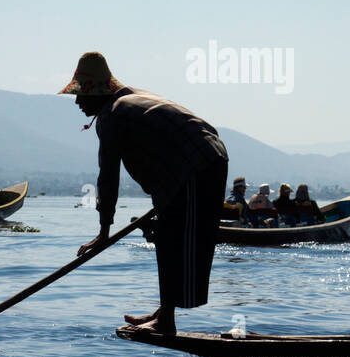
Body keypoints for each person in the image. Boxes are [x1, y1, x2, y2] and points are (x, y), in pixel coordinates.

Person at [62, 52, 228, 335]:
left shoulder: (111, 115)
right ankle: (166, 312)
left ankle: (166, 321)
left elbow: (108, 175)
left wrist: (104, 232)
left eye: (81, 95)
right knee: (169, 234)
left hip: (197, 162)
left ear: (98, 93)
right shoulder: (129, 99)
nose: (77, 102)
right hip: (206, 157)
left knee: (170, 236)